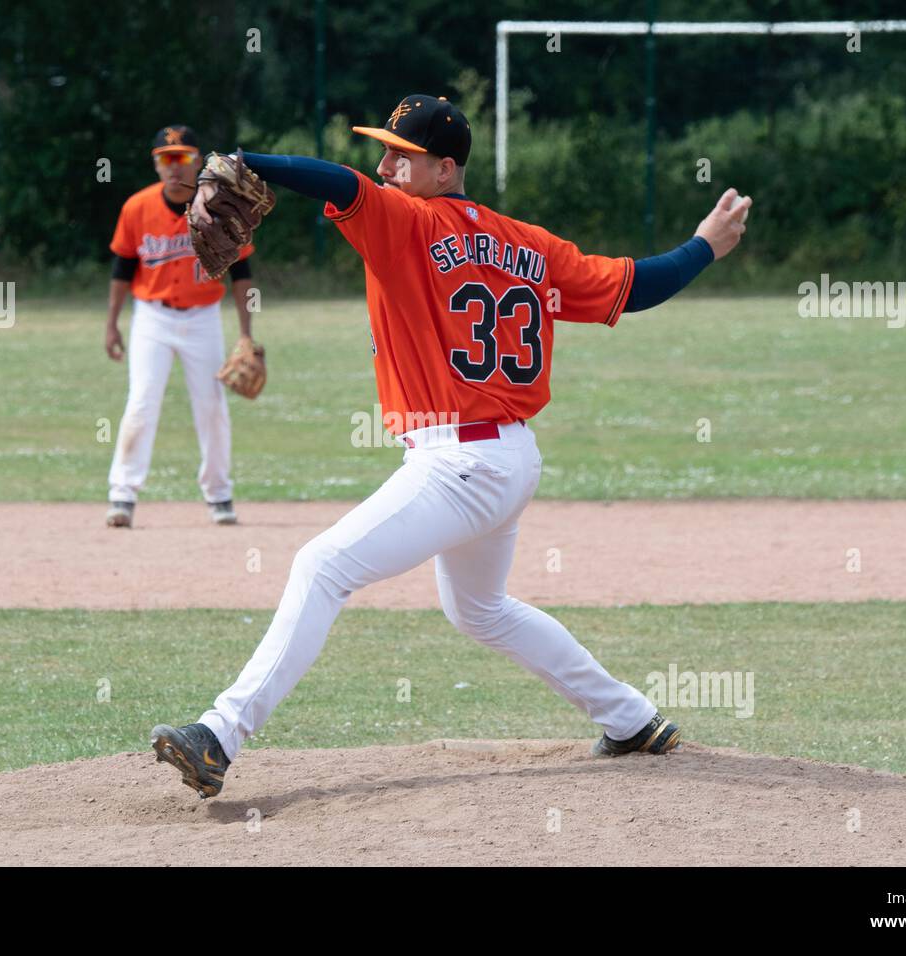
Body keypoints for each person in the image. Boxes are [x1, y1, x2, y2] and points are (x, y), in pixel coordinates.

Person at [151, 95, 752, 798]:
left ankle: (220, 735)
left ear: (443, 169)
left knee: (321, 566)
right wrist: (704, 245)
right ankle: (630, 718)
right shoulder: (530, 243)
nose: (385, 166)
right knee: (479, 609)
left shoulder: (404, 220)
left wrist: (253, 163)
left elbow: (342, 183)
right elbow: (636, 286)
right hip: (509, 458)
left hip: (458, 461)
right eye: (384, 152)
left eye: (400, 157)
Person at [104, 125, 258, 529]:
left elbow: (242, 272)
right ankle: (122, 494)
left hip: (203, 318)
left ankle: (219, 494)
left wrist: (245, 333)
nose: (175, 167)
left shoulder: (221, 207)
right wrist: (111, 325)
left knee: (211, 405)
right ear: (156, 164)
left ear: (197, 161)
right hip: (151, 317)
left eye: (184, 157)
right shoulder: (136, 207)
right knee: (141, 402)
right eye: (167, 159)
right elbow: (122, 267)